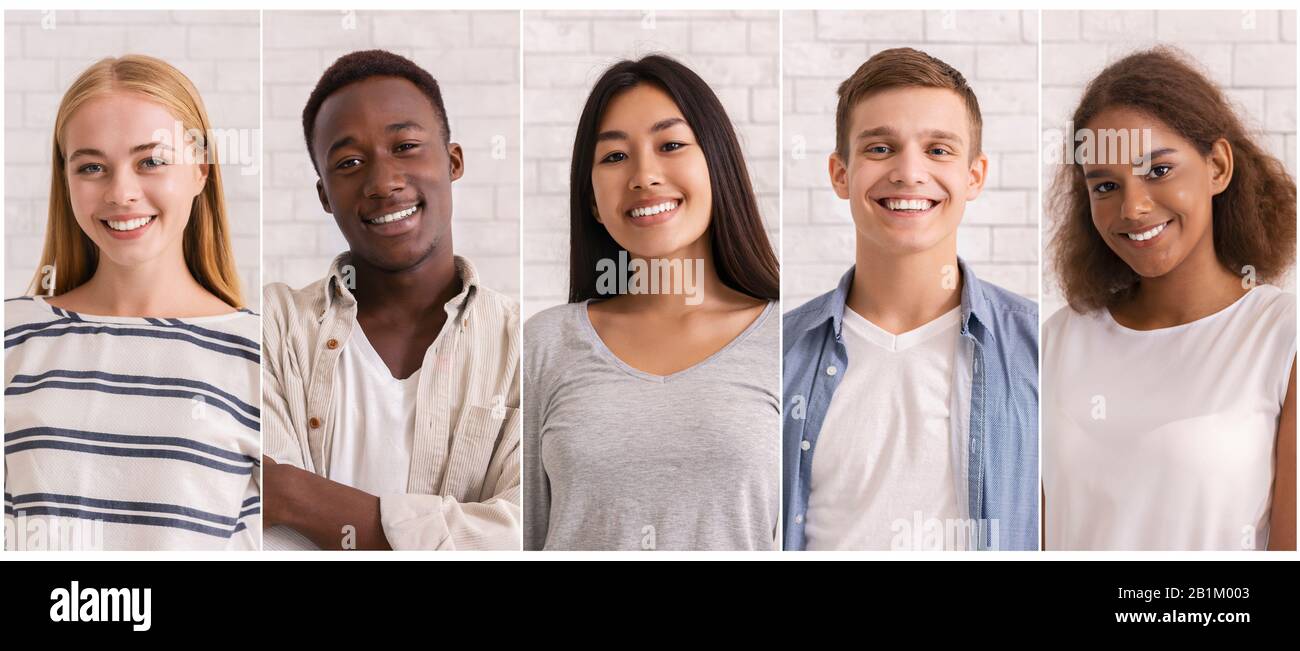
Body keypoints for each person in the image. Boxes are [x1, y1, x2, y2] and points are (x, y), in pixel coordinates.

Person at [261, 50, 520, 551]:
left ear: (453, 161)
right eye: (350, 162)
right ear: (323, 195)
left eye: (405, 146)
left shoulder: (523, 351)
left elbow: (520, 535)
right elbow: (251, 526)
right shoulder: (273, 328)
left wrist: (294, 495)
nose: (383, 183)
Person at [783, 48, 1039, 551]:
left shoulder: (1039, 348)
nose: (909, 172)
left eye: (939, 150)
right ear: (840, 174)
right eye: (880, 148)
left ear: (975, 176)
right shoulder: (780, 353)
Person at [523, 55, 781, 551]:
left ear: (718, 166)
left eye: (671, 145)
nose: (644, 175)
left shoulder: (787, 342)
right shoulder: (544, 345)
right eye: (615, 157)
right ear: (593, 200)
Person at [1043, 47, 1297, 551]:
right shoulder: (1056, 339)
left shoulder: (1283, 338)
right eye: (1106, 185)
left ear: (1218, 166)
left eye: (1158, 171)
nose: (1133, 207)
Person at [4, 55, 260, 551]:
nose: (121, 192)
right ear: (67, 180)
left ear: (200, 170)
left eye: (151, 161)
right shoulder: (12, 336)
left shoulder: (260, 354)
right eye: (93, 167)